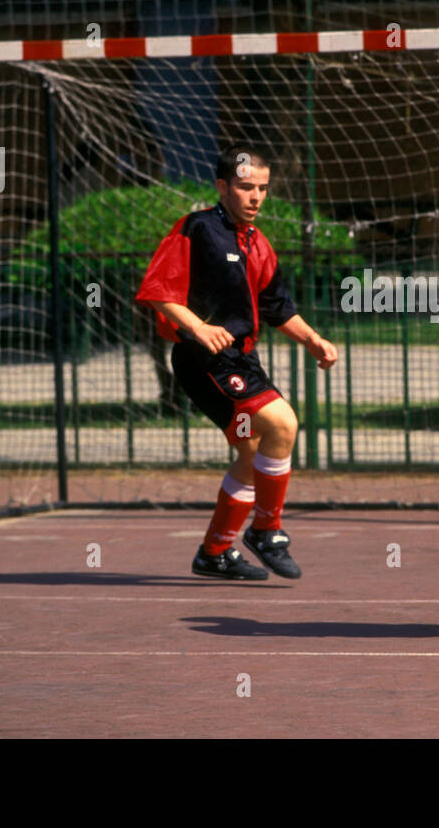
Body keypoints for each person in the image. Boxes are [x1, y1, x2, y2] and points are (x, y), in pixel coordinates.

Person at [136, 144, 337, 580]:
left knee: (251, 453)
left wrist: (313, 339)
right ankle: (267, 530)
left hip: (241, 359)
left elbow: (278, 308)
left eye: (262, 188)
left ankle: (215, 552)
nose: (256, 197)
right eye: (246, 187)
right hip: (204, 358)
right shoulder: (197, 229)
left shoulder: (257, 243)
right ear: (223, 186)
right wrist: (199, 328)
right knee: (282, 424)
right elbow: (157, 290)